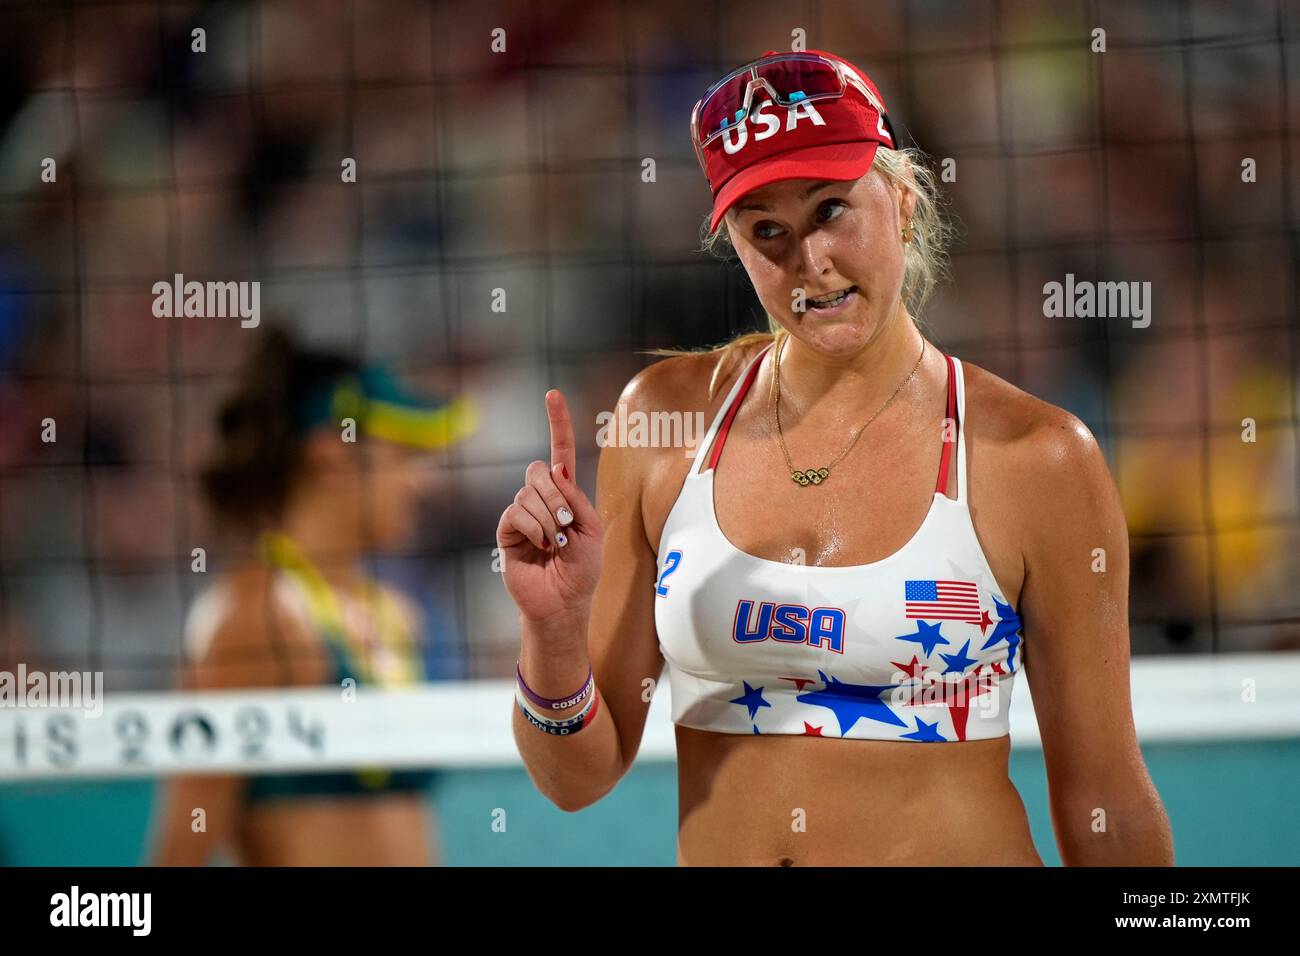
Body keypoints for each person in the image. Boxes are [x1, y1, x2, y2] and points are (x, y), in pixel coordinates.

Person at [499, 50, 1173, 866]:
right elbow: (578, 779)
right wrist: (553, 631)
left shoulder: (1038, 457)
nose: (809, 264)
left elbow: (1104, 795)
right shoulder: (664, 424)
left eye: (830, 211)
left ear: (905, 201)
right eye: (767, 232)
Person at [149, 326, 479, 866]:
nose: (420, 483)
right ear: (330, 451)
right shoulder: (253, 619)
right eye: (403, 456)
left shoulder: (401, 615)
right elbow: (179, 853)